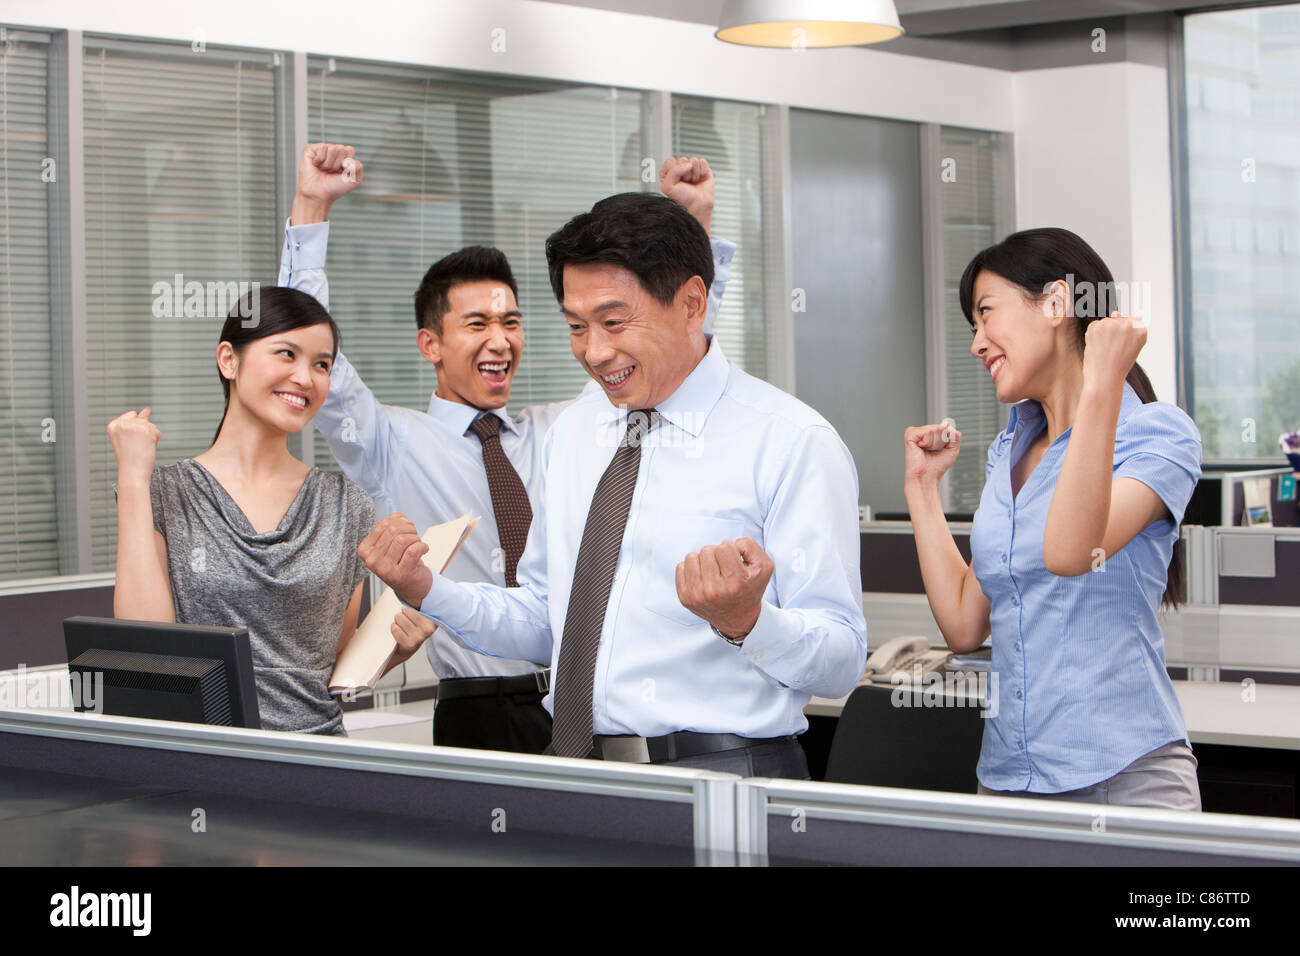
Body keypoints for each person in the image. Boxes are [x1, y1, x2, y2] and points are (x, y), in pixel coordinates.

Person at [359, 191, 867, 778]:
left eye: (613, 322)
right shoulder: (577, 432)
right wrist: (427, 587)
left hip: (724, 777)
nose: (595, 352)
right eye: (577, 326)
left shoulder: (791, 441)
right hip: (579, 774)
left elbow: (840, 662)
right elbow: (548, 619)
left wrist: (748, 621)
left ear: (692, 303)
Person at [278, 143, 736, 754]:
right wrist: (312, 205)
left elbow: (662, 347)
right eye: (476, 325)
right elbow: (302, 339)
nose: (500, 340)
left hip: (585, 707)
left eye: (511, 322)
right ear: (429, 344)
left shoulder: (565, 431)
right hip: (481, 714)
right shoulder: (391, 443)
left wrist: (691, 225)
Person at [903, 227, 1203, 809]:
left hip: (1126, 778)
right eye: (972, 326)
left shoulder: (1156, 434)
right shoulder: (1007, 453)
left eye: (987, 314)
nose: (977, 343)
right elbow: (965, 626)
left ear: (1058, 303)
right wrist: (921, 487)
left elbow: (1069, 552)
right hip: (1010, 779)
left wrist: (1102, 383)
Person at [108, 287, 434, 735]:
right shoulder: (166, 492)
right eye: (287, 353)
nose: (305, 377)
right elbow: (146, 650)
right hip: (200, 758)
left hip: (317, 757)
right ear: (229, 360)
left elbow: (327, 670)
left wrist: (390, 652)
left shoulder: (345, 506)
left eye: (321, 364)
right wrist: (132, 478)